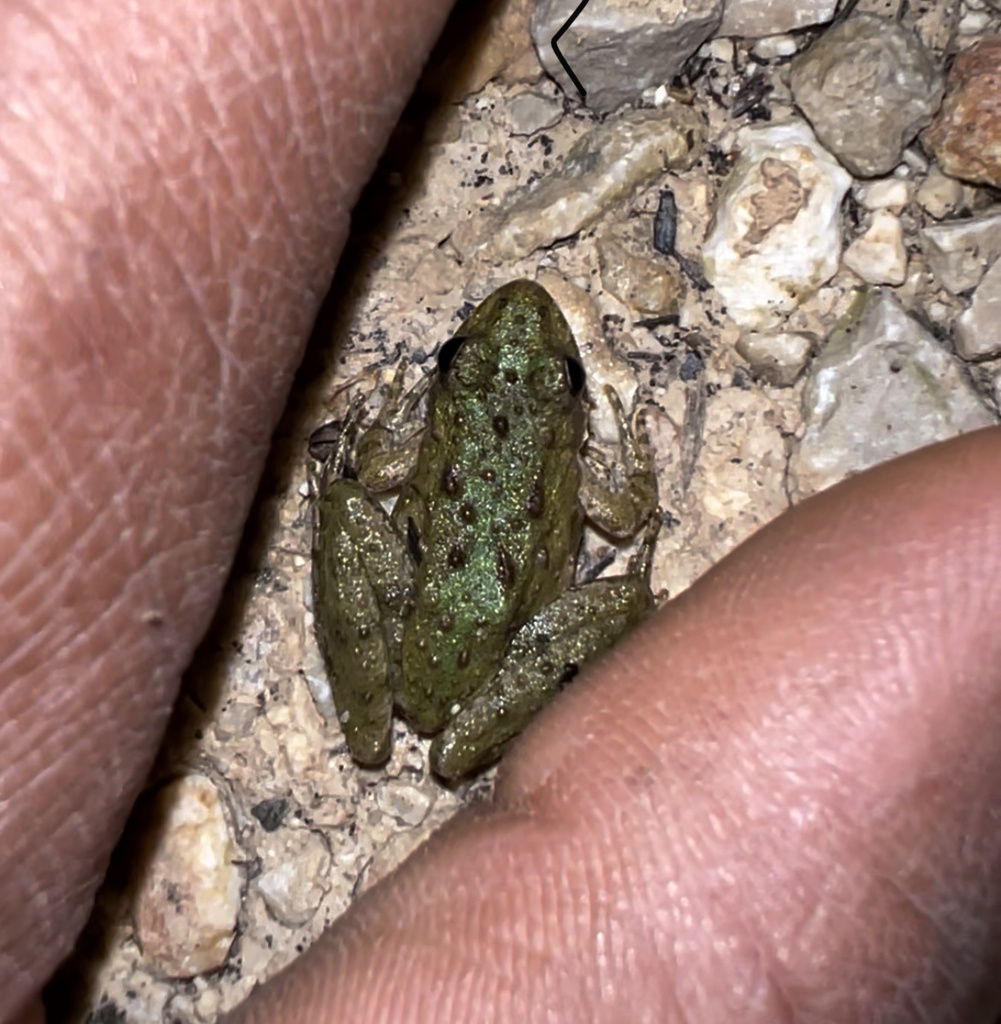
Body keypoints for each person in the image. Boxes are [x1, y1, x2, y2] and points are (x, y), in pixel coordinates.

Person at [2, 0, 999, 1020]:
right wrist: (626, 460)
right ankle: (451, 714)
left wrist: (380, 434)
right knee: (623, 584)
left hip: (433, 620)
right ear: (566, 407)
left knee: (345, 497)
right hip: (499, 626)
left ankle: (387, 719)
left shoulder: (427, 438)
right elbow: (626, 510)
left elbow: (376, 470)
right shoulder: (574, 456)